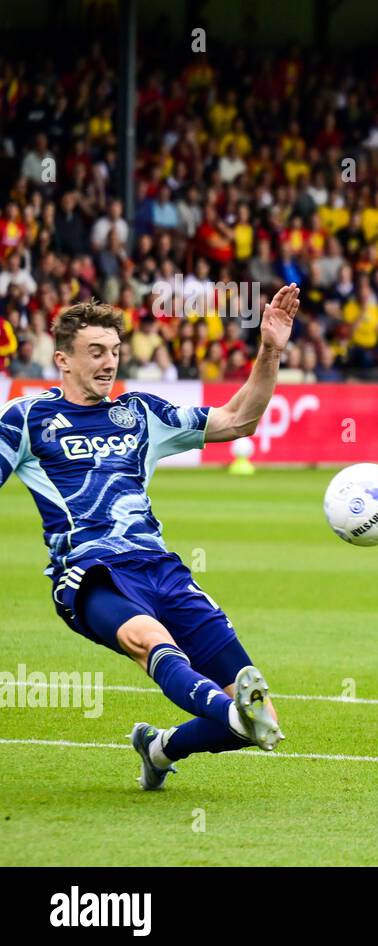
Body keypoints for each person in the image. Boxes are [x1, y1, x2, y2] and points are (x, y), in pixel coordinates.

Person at [0, 285, 302, 790]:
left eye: (115, 351)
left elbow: (238, 420)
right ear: (62, 359)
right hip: (89, 573)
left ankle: (160, 749)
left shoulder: (141, 413)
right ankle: (233, 715)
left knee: (264, 716)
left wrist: (270, 349)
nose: (108, 362)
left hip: (160, 567)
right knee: (152, 642)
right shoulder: (27, 418)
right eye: (95, 352)